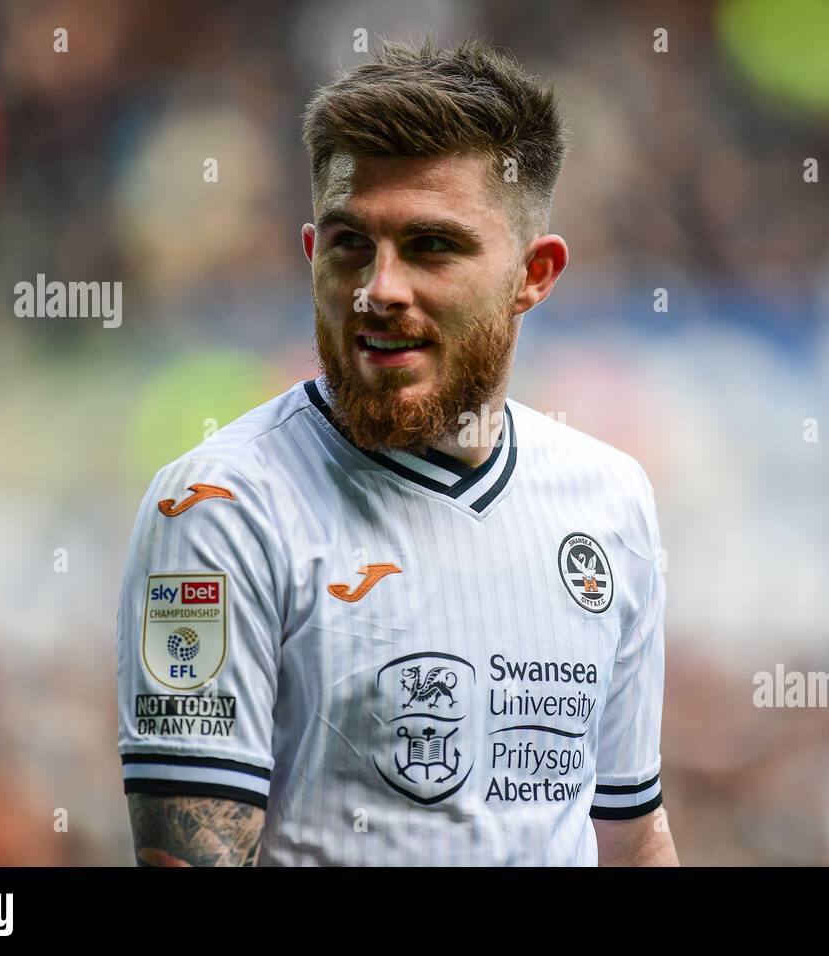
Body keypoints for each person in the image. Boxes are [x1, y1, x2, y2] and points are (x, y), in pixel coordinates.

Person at [116, 37, 676, 866]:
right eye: (350, 245)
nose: (379, 289)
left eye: (431, 246)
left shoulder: (610, 500)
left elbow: (631, 837)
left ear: (535, 273)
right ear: (312, 257)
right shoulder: (216, 510)